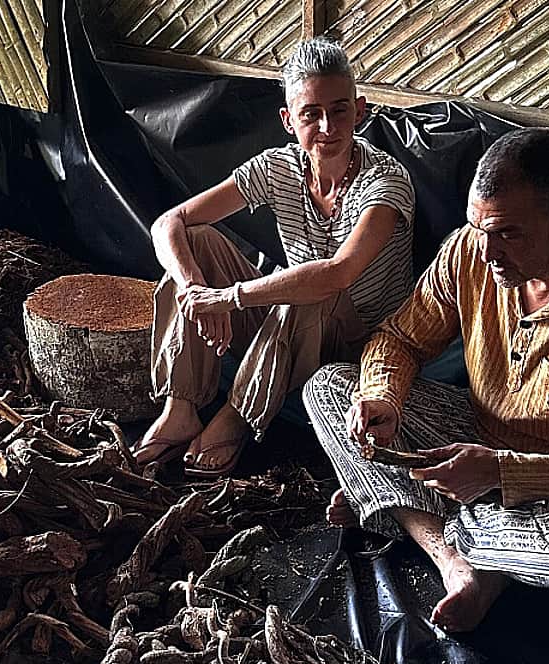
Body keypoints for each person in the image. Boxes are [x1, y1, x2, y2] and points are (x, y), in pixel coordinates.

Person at [304, 128, 549, 632]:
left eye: (508, 233)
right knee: (330, 389)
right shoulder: (471, 249)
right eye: (476, 228)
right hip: (476, 430)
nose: (486, 253)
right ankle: (456, 561)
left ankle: (402, 511)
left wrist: (503, 473)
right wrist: (384, 398)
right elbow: (401, 339)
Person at [132, 37, 417, 478]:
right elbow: (169, 222)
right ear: (288, 120)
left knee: (306, 286)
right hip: (290, 325)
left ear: (360, 111)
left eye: (340, 109)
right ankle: (181, 406)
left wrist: (229, 299)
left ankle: (236, 416)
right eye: (311, 114)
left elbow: (337, 275)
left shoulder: (386, 184)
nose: (327, 126)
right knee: (199, 243)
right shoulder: (278, 168)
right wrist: (195, 290)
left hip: (357, 339)